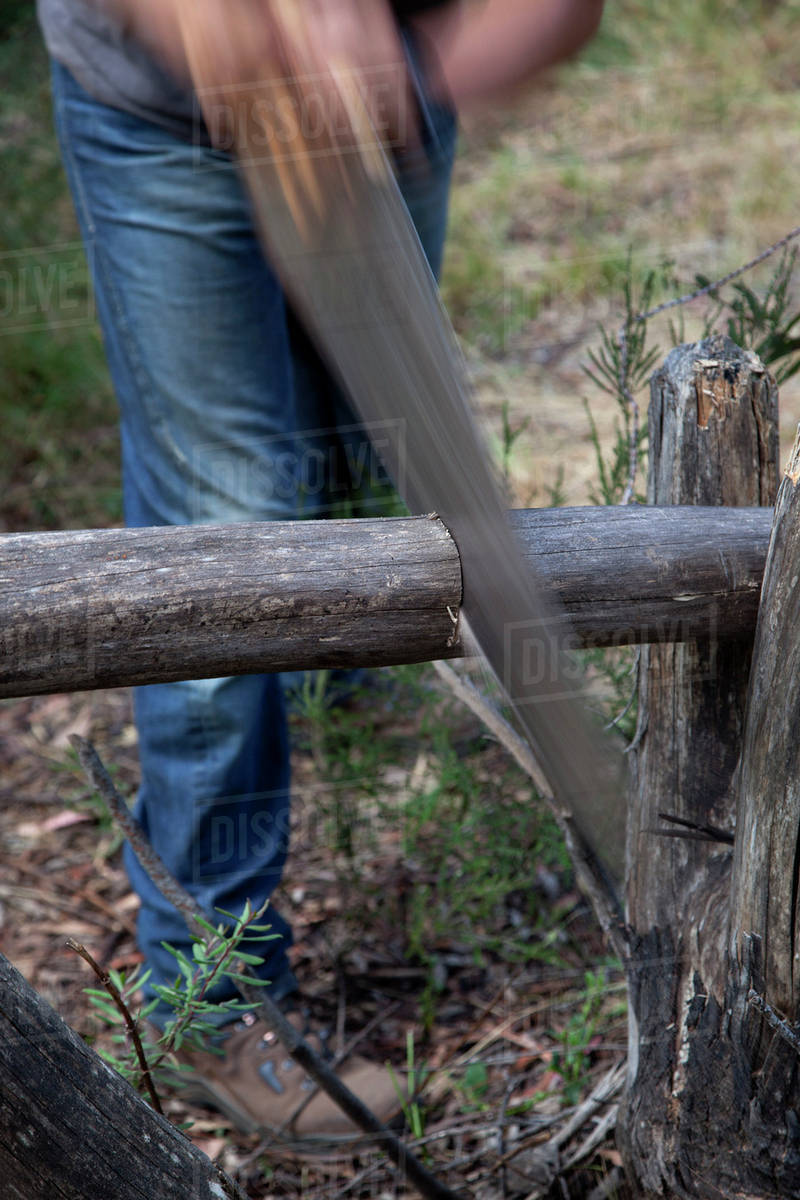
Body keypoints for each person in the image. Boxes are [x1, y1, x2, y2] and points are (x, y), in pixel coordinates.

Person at [36, 0, 605, 1143]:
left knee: (359, 464)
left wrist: (421, 75)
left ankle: (335, 711)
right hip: (155, 101)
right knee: (223, 528)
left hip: (380, 109)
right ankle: (211, 1002)